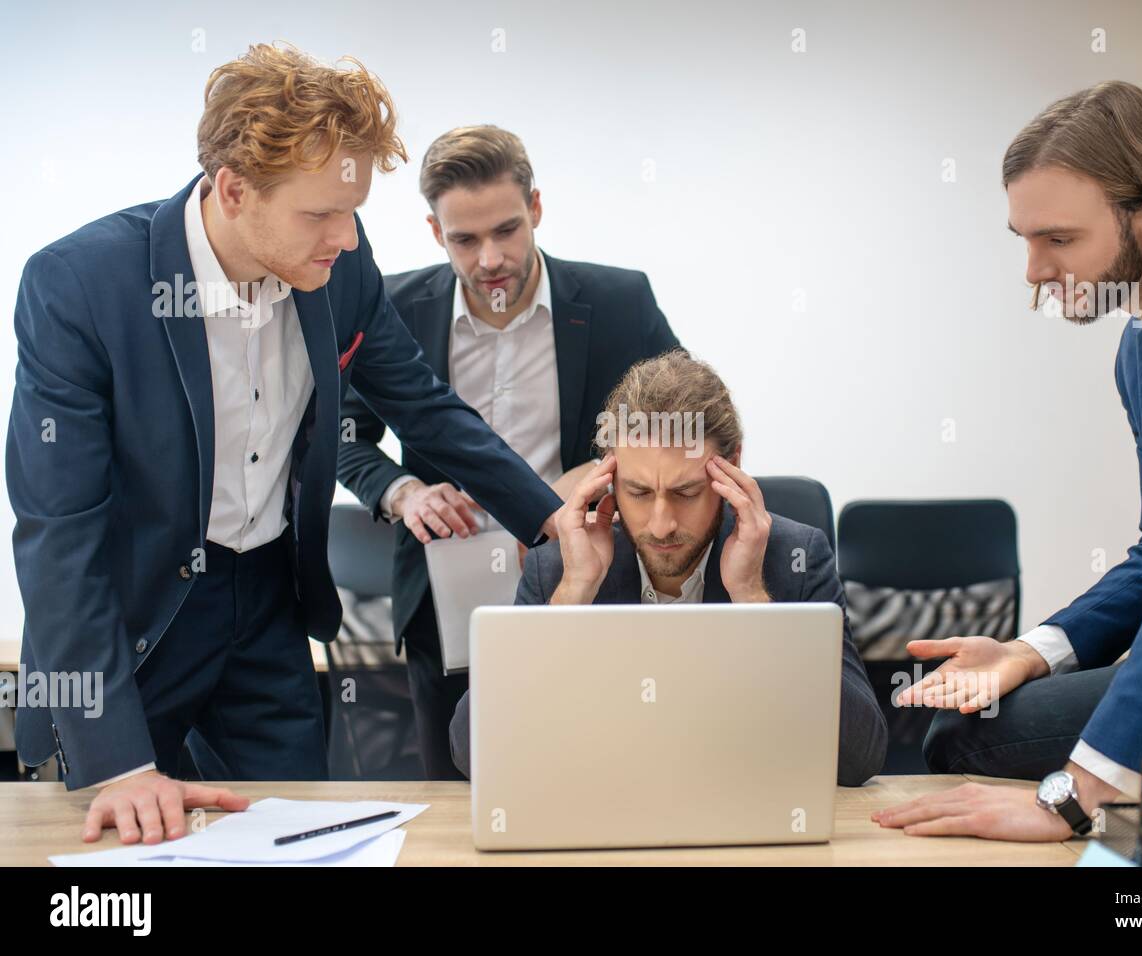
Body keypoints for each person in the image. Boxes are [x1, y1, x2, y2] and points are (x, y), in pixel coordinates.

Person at [6, 45, 562, 845]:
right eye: (319, 215)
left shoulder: (340, 258)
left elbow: (424, 409)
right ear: (233, 189)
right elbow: (61, 534)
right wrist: (116, 758)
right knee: (118, 843)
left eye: (354, 208)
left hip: (267, 602)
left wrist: (552, 522)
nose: (346, 235)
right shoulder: (81, 287)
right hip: (136, 622)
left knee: (302, 841)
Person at [877, 81, 1142, 842]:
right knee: (964, 729)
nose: (1034, 271)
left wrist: (1079, 793)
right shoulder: (1140, 351)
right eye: (1024, 240)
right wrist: (1031, 652)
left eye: (1058, 241)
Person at [336, 126, 680, 779]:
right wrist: (402, 491)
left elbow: (681, 421)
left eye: (507, 230)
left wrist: (589, 479)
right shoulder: (394, 309)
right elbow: (341, 435)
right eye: (464, 239)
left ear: (537, 210)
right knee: (456, 787)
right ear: (436, 232)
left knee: (597, 774)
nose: (490, 258)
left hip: (591, 579)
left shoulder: (616, 300)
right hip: (445, 594)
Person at [448, 350, 889, 786]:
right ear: (608, 477)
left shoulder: (796, 558)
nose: (661, 525)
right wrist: (572, 597)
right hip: (605, 813)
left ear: (732, 466)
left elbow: (859, 758)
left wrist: (755, 601)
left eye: (687, 492)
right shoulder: (559, 568)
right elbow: (471, 753)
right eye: (638, 492)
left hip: (742, 810)